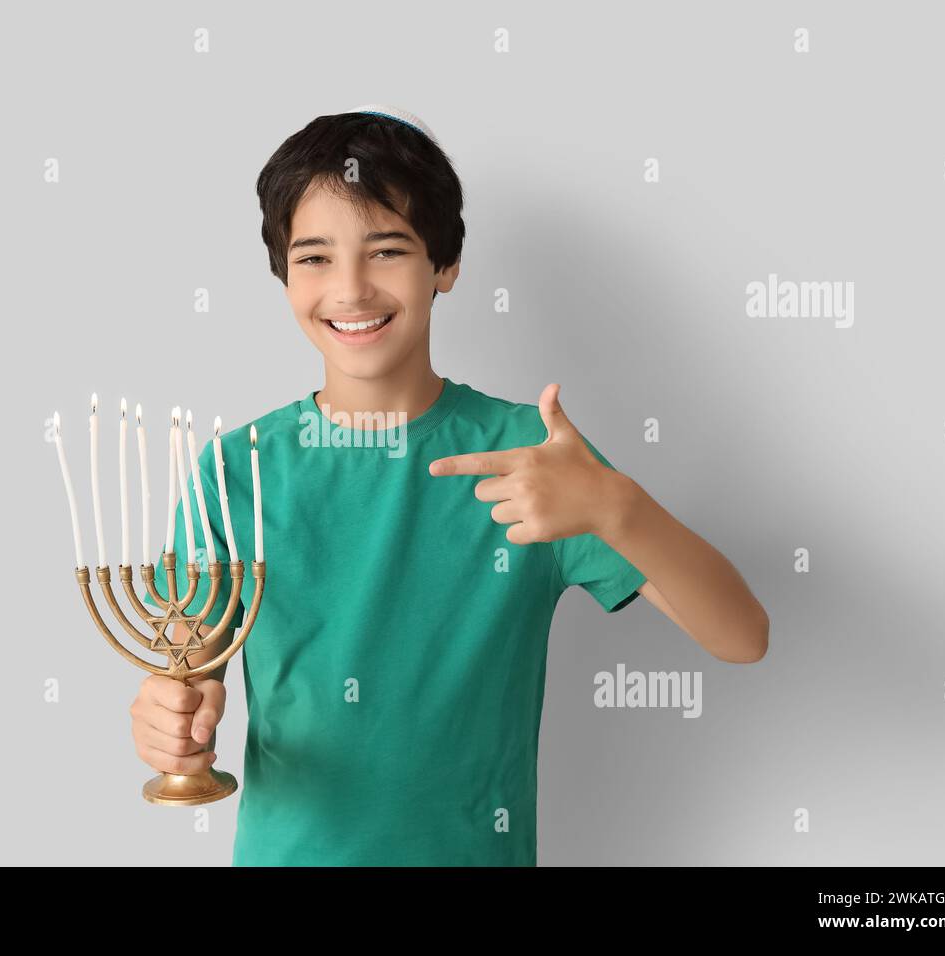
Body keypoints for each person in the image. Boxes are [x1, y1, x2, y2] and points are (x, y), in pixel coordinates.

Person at [129, 105, 770, 866]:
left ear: (446, 265)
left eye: (388, 250)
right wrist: (166, 725)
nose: (352, 289)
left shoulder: (534, 456)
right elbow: (184, 684)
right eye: (315, 258)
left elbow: (743, 636)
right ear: (282, 275)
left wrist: (614, 505)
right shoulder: (235, 471)